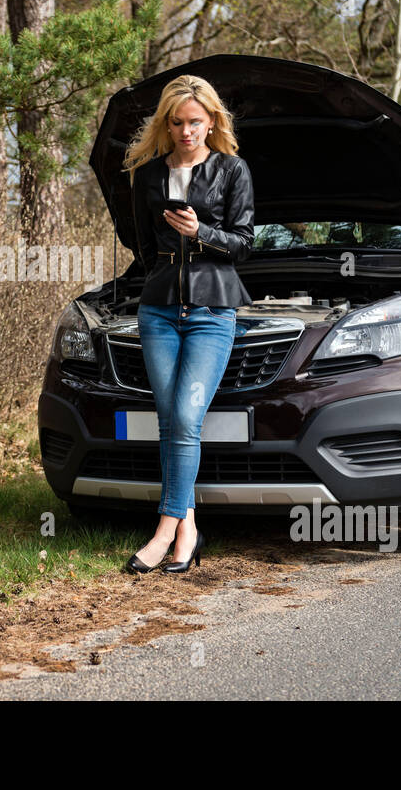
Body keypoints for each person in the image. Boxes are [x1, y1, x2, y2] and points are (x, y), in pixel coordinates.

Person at [118, 74, 256, 573]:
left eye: (195, 122)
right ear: (166, 124)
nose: (186, 131)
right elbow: (141, 243)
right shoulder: (148, 176)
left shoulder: (232, 170)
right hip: (158, 311)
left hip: (212, 311)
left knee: (185, 418)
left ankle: (163, 530)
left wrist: (202, 232)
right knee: (171, 421)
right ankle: (188, 528)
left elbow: (244, 243)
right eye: (176, 123)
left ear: (212, 121)